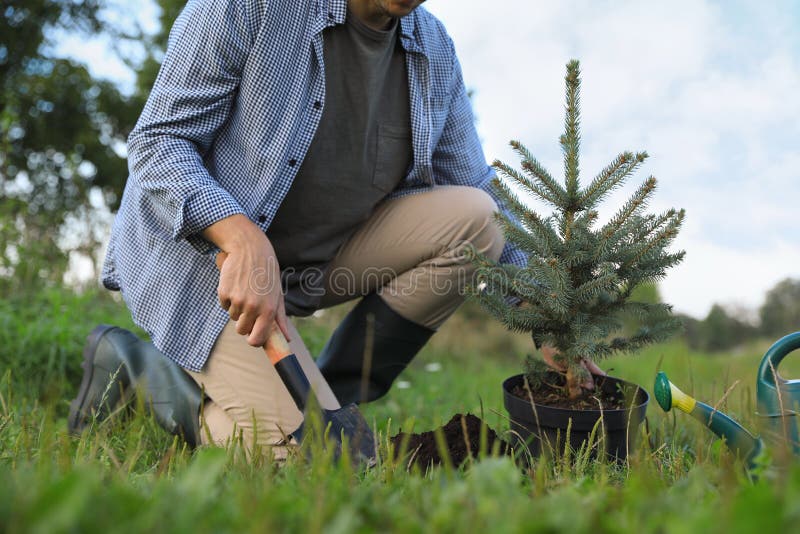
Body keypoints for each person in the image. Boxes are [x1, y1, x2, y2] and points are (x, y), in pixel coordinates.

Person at [68, 0, 535, 460]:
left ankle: (332, 397)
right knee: (313, 464)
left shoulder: (432, 48)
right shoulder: (251, 6)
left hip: (311, 265)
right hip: (206, 263)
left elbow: (471, 180)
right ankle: (143, 373)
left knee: (479, 218)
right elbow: (158, 143)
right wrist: (240, 236)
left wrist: (545, 313)